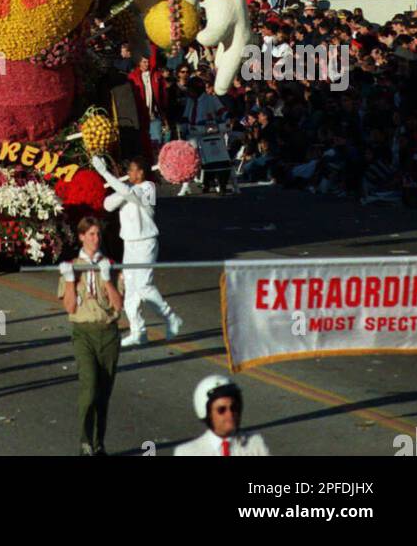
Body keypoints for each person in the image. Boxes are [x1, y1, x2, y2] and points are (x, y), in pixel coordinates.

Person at [92, 154, 182, 348]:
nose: (129, 173)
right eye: (129, 170)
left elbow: (127, 192)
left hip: (145, 243)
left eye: (132, 169)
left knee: (144, 286)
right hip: (130, 244)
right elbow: (107, 205)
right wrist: (119, 188)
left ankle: (171, 317)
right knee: (131, 291)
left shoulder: (149, 188)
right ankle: (138, 331)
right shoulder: (129, 189)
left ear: (141, 172)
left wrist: (104, 172)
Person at [58, 215, 123, 456]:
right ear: (82, 237)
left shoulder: (111, 265)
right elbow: (70, 307)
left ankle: (98, 444)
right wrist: (69, 280)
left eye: (98, 234)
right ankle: (85, 441)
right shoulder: (73, 266)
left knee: (103, 395)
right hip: (84, 333)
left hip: (108, 333)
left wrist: (107, 279)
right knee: (89, 389)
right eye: (91, 234)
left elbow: (118, 305)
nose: (95, 239)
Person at [174, 375, 270, 456]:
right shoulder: (188, 453)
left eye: (234, 407)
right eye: (221, 410)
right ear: (208, 414)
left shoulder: (255, 444)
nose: (230, 414)